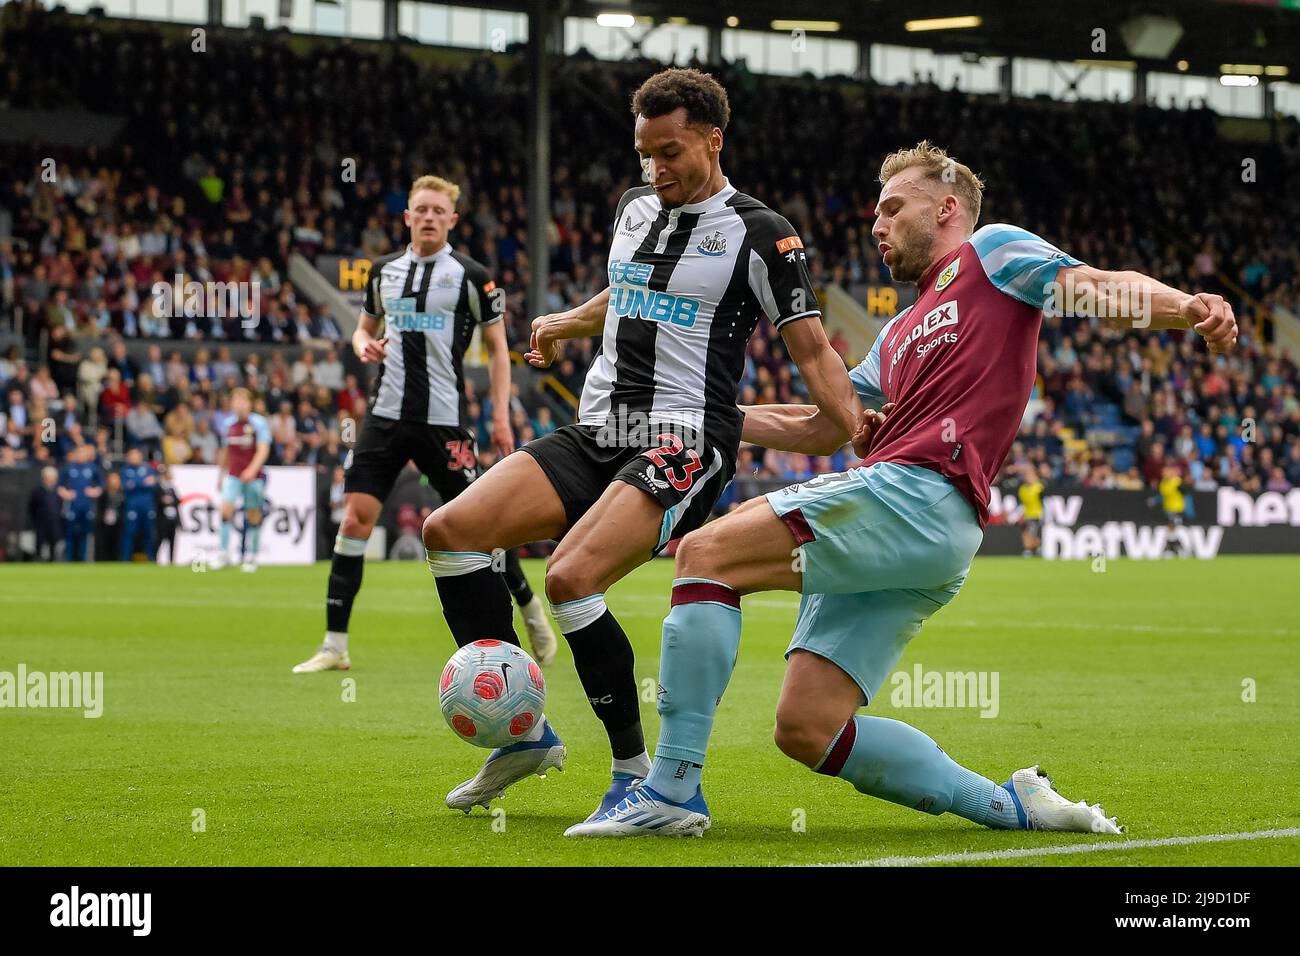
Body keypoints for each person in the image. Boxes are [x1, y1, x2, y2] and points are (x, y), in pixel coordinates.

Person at [570, 140, 1237, 837]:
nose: (876, 227)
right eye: (874, 216)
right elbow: (820, 427)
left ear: (947, 207)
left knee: (704, 554)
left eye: (892, 209)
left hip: (917, 495)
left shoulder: (994, 255)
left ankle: (670, 792)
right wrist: (701, 418)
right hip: (921, 537)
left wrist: (1188, 306)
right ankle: (1012, 805)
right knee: (807, 727)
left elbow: (1096, 287)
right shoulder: (896, 334)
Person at [421, 69, 861, 823]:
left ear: (713, 140)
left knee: (569, 578)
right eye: (644, 154)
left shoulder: (761, 233)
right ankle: (523, 732)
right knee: (450, 532)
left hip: (684, 438)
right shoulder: (634, 208)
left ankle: (635, 772)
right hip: (598, 428)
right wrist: (565, 321)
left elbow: (814, 352)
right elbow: (629, 295)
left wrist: (857, 421)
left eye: (671, 152)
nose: (655, 170)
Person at [293, 175, 555, 674]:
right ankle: (334, 645)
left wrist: (500, 415)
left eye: (439, 210)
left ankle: (528, 606)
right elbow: (362, 329)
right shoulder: (383, 272)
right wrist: (360, 345)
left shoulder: (473, 276)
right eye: (422, 209)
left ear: (452, 220)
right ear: (407, 217)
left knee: (480, 526)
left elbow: (499, 347)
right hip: (385, 416)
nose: (430, 217)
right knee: (354, 520)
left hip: (444, 421)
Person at [215, 387, 271, 571]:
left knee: (253, 514)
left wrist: (252, 470)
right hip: (233, 475)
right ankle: (223, 554)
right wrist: (220, 475)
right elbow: (226, 452)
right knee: (225, 510)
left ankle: (252, 555)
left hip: (253, 477)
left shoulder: (258, 423)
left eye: (243, 400)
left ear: (249, 403)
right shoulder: (228, 424)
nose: (239, 404)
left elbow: (263, 449)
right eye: (236, 400)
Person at [58, 443, 102, 562]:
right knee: (69, 533)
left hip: (87, 505)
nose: (81, 455)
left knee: (85, 534)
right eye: (79, 453)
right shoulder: (68, 468)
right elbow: (59, 486)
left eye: (83, 453)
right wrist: (65, 493)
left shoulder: (92, 468)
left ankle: (84, 559)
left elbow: (101, 485)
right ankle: (68, 559)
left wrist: (95, 491)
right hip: (72, 505)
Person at [120, 447, 158, 561]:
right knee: (129, 533)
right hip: (131, 506)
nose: (134, 458)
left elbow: (154, 485)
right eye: (131, 455)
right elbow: (126, 486)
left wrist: (136, 483)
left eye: (136, 455)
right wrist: (143, 482)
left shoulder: (148, 469)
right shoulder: (125, 470)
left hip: (147, 506)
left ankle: (152, 558)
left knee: (149, 534)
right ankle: (125, 559)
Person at [28, 465, 62, 560]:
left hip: (54, 520)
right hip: (40, 520)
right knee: (39, 541)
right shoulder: (37, 490)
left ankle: (52, 559)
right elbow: (32, 507)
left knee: (53, 541)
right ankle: (37, 558)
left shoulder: (59, 490)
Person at [1017, 465, 1044, 557]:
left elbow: (1045, 502)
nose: (1028, 478)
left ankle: (1028, 550)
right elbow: (1022, 504)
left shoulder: (1039, 488)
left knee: (1029, 533)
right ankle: (1038, 548)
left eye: (1030, 475)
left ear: (1036, 477)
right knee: (1025, 534)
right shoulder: (1022, 489)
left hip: (1036, 515)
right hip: (1026, 515)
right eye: (1026, 475)